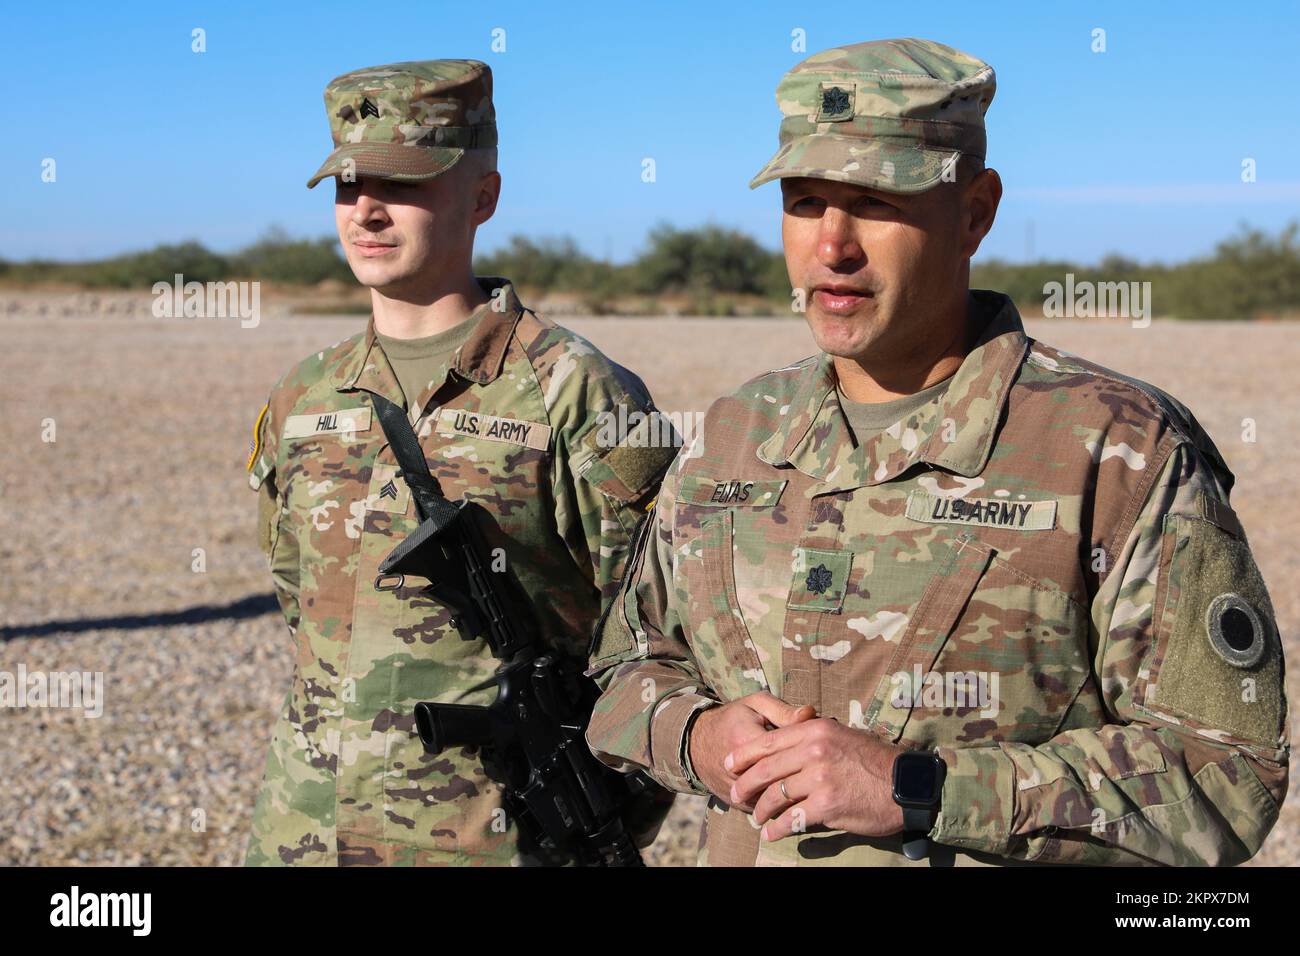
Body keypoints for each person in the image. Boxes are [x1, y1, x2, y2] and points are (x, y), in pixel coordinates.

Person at [584, 38, 1289, 866]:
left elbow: (1228, 773)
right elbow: (627, 668)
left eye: (878, 201)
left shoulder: (1117, 449)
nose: (832, 245)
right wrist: (699, 737)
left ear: (975, 212)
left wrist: (922, 789)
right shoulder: (736, 435)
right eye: (805, 201)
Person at [246, 59, 678, 865]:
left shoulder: (574, 390)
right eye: (347, 184)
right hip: (302, 832)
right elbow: (299, 602)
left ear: (483, 197)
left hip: (490, 844)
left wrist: (593, 815)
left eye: (400, 185)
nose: (366, 210)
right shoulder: (303, 394)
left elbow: (656, 642)